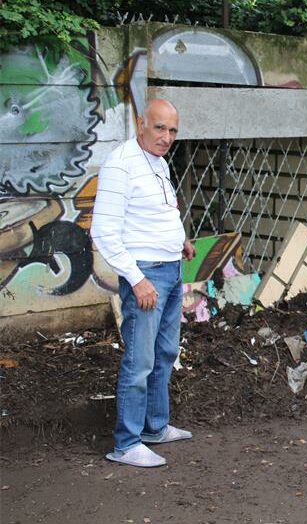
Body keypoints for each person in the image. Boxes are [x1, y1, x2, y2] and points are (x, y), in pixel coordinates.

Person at [91, 99, 196, 468]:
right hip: (146, 275)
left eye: (173, 131)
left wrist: (179, 238)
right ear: (140, 123)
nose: (167, 137)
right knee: (140, 360)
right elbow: (103, 231)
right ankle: (126, 442)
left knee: (165, 353)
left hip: (169, 269)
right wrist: (137, 280)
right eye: (159, 128)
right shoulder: (121, 164)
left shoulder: (157, 161)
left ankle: (155, 427)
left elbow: (158, 210)